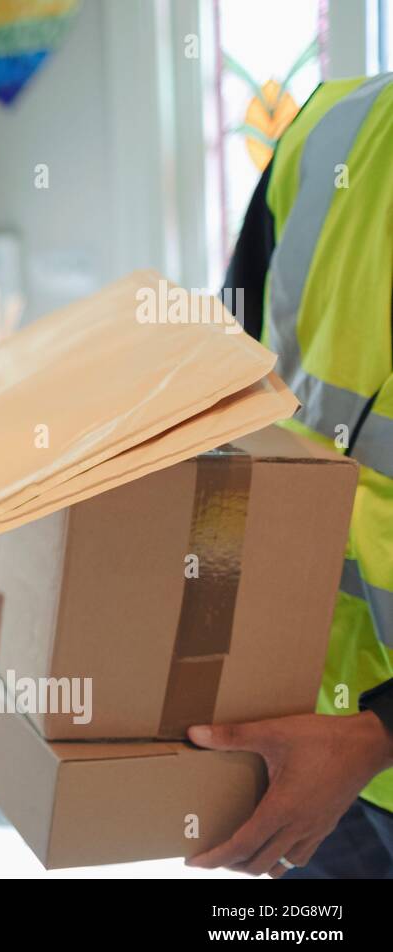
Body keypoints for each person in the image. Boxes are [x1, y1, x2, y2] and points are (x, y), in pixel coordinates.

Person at [188, 73, 393, 877]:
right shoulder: (333, 127)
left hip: (344, 745)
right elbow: (223, 396)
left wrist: (374, 734)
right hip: (306, 734)